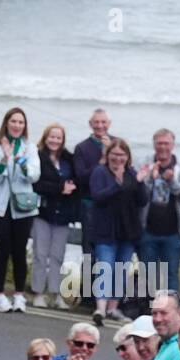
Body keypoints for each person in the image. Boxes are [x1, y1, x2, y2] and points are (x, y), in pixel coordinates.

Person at [0, 107, 39, 314]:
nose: (17, 125)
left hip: (23, 207)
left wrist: (21, 163)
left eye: (21, 122)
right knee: (2, 249)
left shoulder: (30, 148)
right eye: (13, 121)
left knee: (19, 251)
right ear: (6, 123)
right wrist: (5, 159)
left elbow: (34, 176)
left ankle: (19, 295)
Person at [89, 137, 147, 325]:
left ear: (128, 157)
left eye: (122, 155)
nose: (118, 158)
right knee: (105, 267)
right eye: (114, 154)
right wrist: (118, 184)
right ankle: (100, 308)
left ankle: (114, 308)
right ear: (108, 155)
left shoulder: (132, 173)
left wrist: (138, 183)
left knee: (121, 270)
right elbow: (98, 196)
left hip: (127, 230)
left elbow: (142, 201)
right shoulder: (100, 172)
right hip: (105, 229)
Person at [137, 129, 180, 296]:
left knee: (171, 274)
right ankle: (148, 309)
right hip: (148, 229)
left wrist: (171, 181)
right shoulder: (145, 163)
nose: (162, 147)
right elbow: (137, 192)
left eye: (166, 143)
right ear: (154, 145)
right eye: (159, 143)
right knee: (148, 273)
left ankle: (171, 309)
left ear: (172, 145)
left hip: (172, 231)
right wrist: (150, 179)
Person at [31, 123, 77, 310]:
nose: (55, 140)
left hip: (63, 215)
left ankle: (56, 294)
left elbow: (76, 181)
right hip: (43, 212)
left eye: (58, 137)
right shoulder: (37, 156)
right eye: (52, 136)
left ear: (63, 140)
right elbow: (36, 184)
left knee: (58, 256)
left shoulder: (69, 160)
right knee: (40, 255)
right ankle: (38, 293)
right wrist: (60, 189)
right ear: (45, 137)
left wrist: (71, 190)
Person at [73, 107, 113, 257]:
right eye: (96, 122)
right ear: (90, 124)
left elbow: (125, 173)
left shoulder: (117, 144)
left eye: (103, 122)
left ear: (109, 123)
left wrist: (111, 152)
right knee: (89, 249)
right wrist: (102, 161)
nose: (100, 125)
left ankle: (108, 280)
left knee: (109, 248)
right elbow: (81, 177)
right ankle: (89, 281)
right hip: (89, 203)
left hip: (112, 204)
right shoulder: (82, 148)